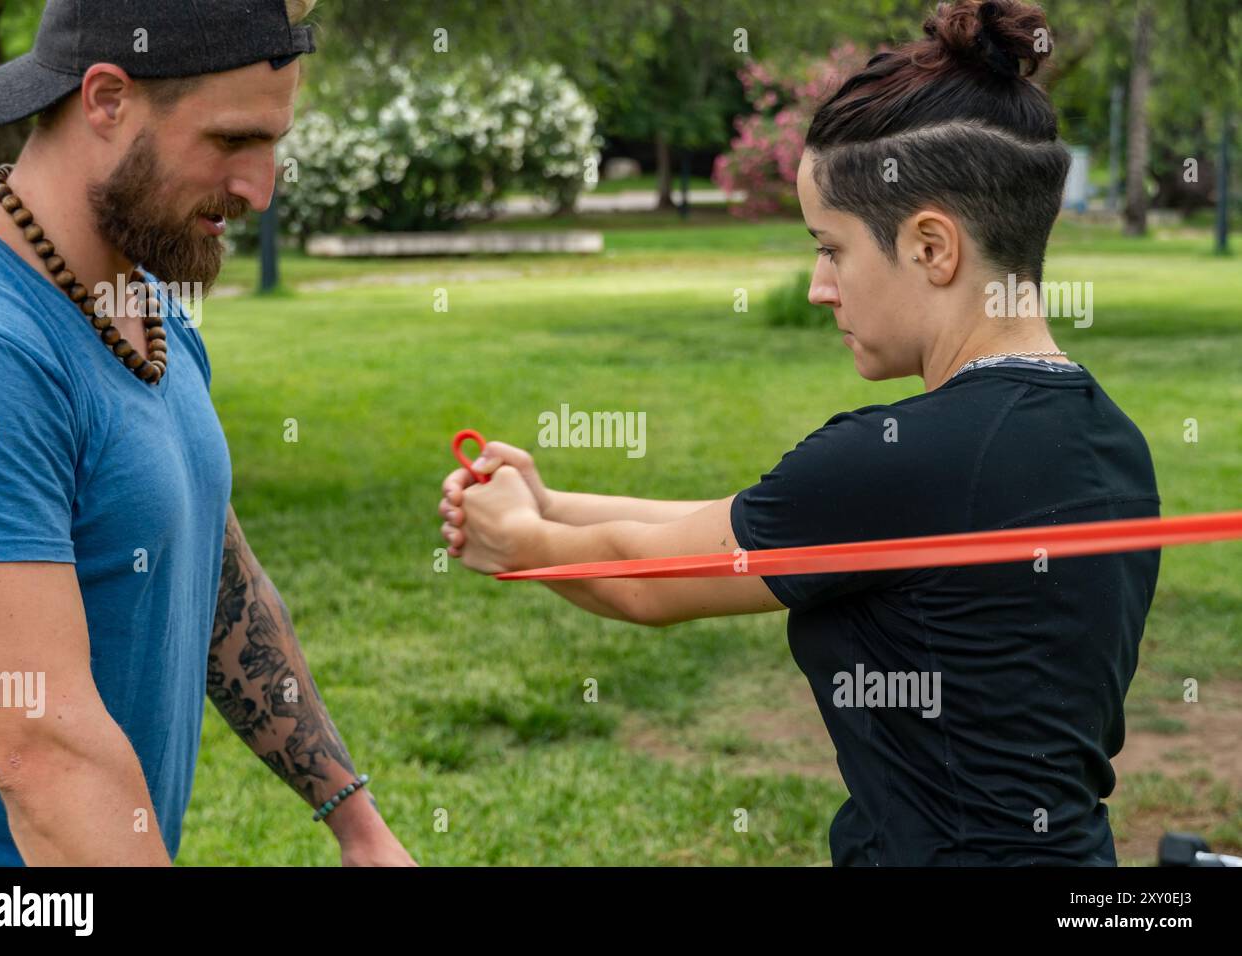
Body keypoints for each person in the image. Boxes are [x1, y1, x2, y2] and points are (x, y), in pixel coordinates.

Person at [439, 0, 1161, 865]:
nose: (821, 287)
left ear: (933, 246)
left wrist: (518, 542)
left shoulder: (901, 458)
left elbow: (646, 582)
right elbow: (760, 520)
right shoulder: (1106, 435)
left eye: (831, 248)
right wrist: (554, 502)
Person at [0, 0, 413, 866]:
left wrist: (357, 825)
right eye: (234, 142)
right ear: (107, 98)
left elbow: (213, 567)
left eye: (273, 144)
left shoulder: (145, 304)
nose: (261, 189)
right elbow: (44, 756)